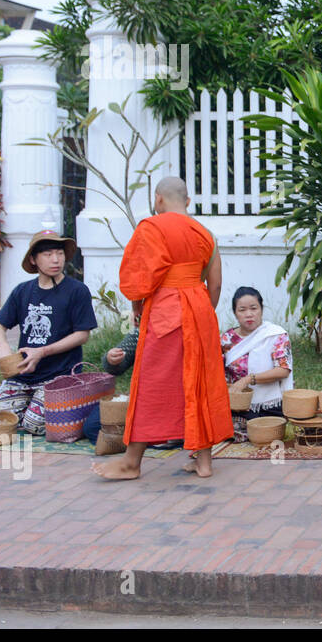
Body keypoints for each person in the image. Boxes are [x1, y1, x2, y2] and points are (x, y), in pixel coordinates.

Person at [92, 176, 231, 480]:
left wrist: (138, 310)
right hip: (199, 309)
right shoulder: (205, 233)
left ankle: (131, 463)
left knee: (151, 385)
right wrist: (203, 310)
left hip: (166, 312)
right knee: (201, 383)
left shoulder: (152, 228)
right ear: (188, 202)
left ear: (158, 200)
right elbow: (216, 283)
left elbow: (139, 281)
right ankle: (204, 463)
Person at [0, 230, 97, 435]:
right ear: (33, 259)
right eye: (48, 255)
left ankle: (75, 406)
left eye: (59, 253)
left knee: (34, 425)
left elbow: (83, 334)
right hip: (22, 376)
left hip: (60, 377)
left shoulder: (77, 290)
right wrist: (3, 347)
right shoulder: (23, 291)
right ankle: (32, 404)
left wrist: (42, 352)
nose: (55, 259)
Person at [220, 286, 293, 420]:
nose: (249, 314)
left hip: (268, 407)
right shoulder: (227, 339)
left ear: (261, 310)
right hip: (235, 405)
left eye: (254, 308)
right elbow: (217, 370)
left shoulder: (275, 334)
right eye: (242, 310)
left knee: (262, 435)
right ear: (235, 313)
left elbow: (283, 370)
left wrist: (248, 379)